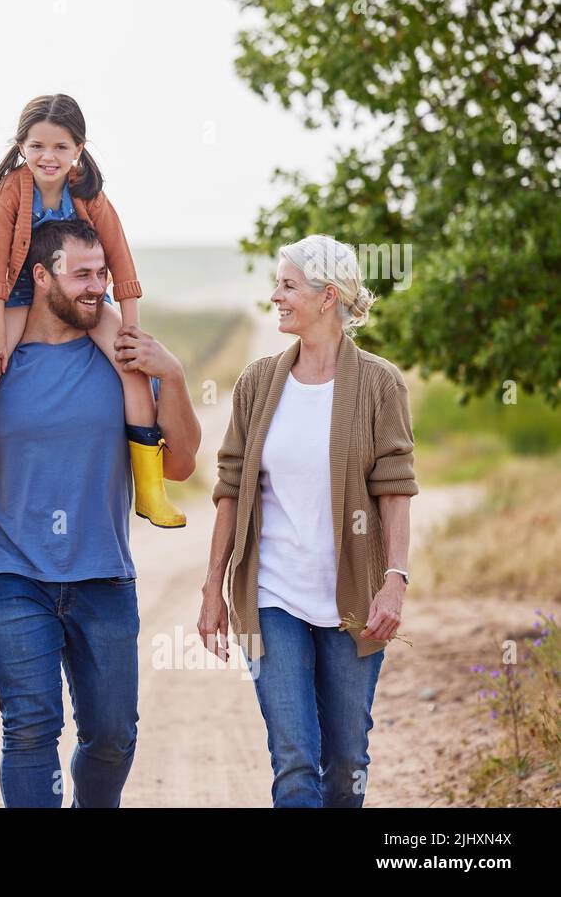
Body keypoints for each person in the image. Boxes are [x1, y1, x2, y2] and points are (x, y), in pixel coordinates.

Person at [0, 219, 201, 807]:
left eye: (103, 274)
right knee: (29, 729)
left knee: (114, 736)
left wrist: (171, 374)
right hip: (14, 576)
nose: (98, 287)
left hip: (103, 574)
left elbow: (180, 466)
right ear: (43, 276)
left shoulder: (120, 360)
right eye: (83, 275)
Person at [198, 234, 419, 808]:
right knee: (295, 763)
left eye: (288, 285)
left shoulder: (379, 384)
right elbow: (229, 489)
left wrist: (395, 579)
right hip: (272, 594)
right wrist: (212, 589)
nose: (275, 296)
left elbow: (396, 488)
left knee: (346, 763)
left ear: (327, 297)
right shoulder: (257, 384)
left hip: (353, 602)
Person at [0, 93, 185, 538]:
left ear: (79, 150)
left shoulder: (88, 193)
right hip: (15, 297)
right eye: (36, 147)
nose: (47, 157)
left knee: (131, 365)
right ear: (20, 147)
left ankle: (150, 487)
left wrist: (131, 329)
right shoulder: (11, 193)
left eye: (60, 148)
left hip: (81, 292)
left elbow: (121, 263)